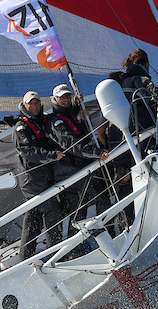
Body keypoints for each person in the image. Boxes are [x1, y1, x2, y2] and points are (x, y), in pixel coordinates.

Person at [48, 83, 109, 238]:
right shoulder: (57, 122)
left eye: (68, 96)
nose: (66, 99)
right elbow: (73, 145)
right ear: (55, 99)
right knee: (101, 198)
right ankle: (107, 235)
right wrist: (97, 152)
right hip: (70, 172)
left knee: (80, 208)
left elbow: (83, 136)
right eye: (62, 98)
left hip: (78, 169)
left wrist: (79, 110)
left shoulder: (71, 116)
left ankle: (77, 246)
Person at [14, 91, 65, 260]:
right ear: (24, 105)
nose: (34, 106)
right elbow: (28, 151)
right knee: (52, 211)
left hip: (44, 177)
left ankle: (25, 257)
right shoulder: (22, 127)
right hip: (32, 180)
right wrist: (51, 155)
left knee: (33, 218)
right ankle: (56, 255)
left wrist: (79, 106)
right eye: (31, 103)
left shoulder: (42, 121)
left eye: (37, 103)